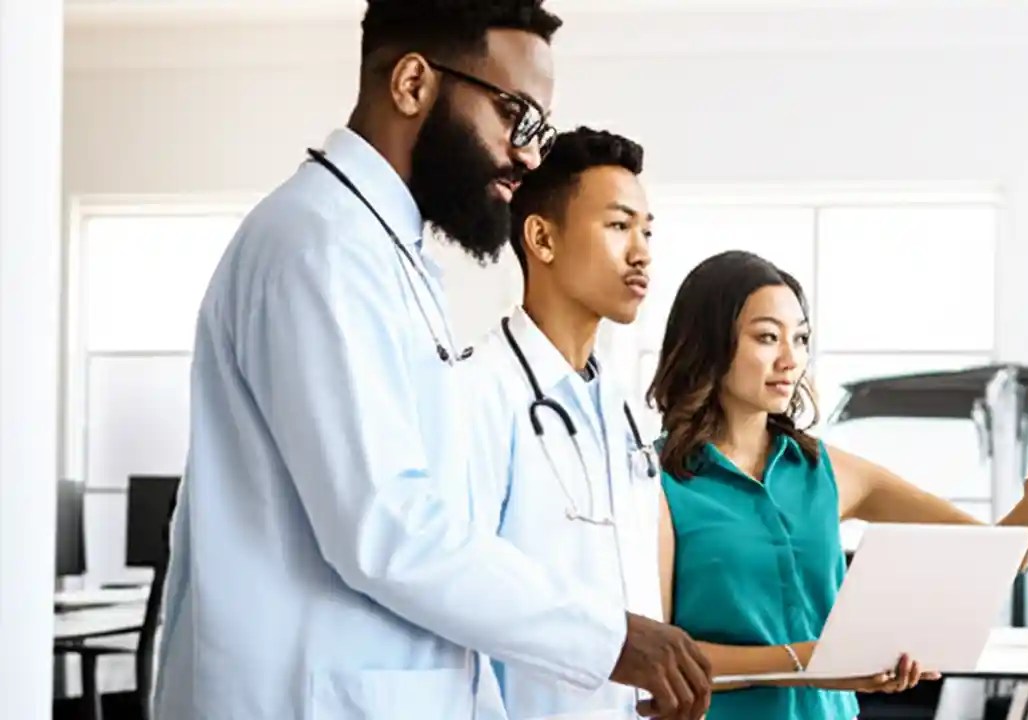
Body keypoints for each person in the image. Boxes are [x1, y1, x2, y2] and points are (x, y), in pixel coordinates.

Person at [153, 4, 709, 719]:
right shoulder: (318, 246)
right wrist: (608, 640)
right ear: (413, 84)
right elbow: (388, 528)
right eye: (516, 114)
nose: (529, 154)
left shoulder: (394, 259)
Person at [646, 250, 1028, 720]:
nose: (790, 358)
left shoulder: (829, 471)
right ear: (710, 345)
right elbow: (654, 657)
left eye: (800, 339)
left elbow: (1007, 555)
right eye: (766, 337)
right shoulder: (657, 481)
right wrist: (814, 662)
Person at [466, 126, 709, 719]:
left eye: (647, 231)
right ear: (542, 238)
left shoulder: (622, 407)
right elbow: (460, 585)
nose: (642, 252)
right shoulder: (478, 390)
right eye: (619, 226)